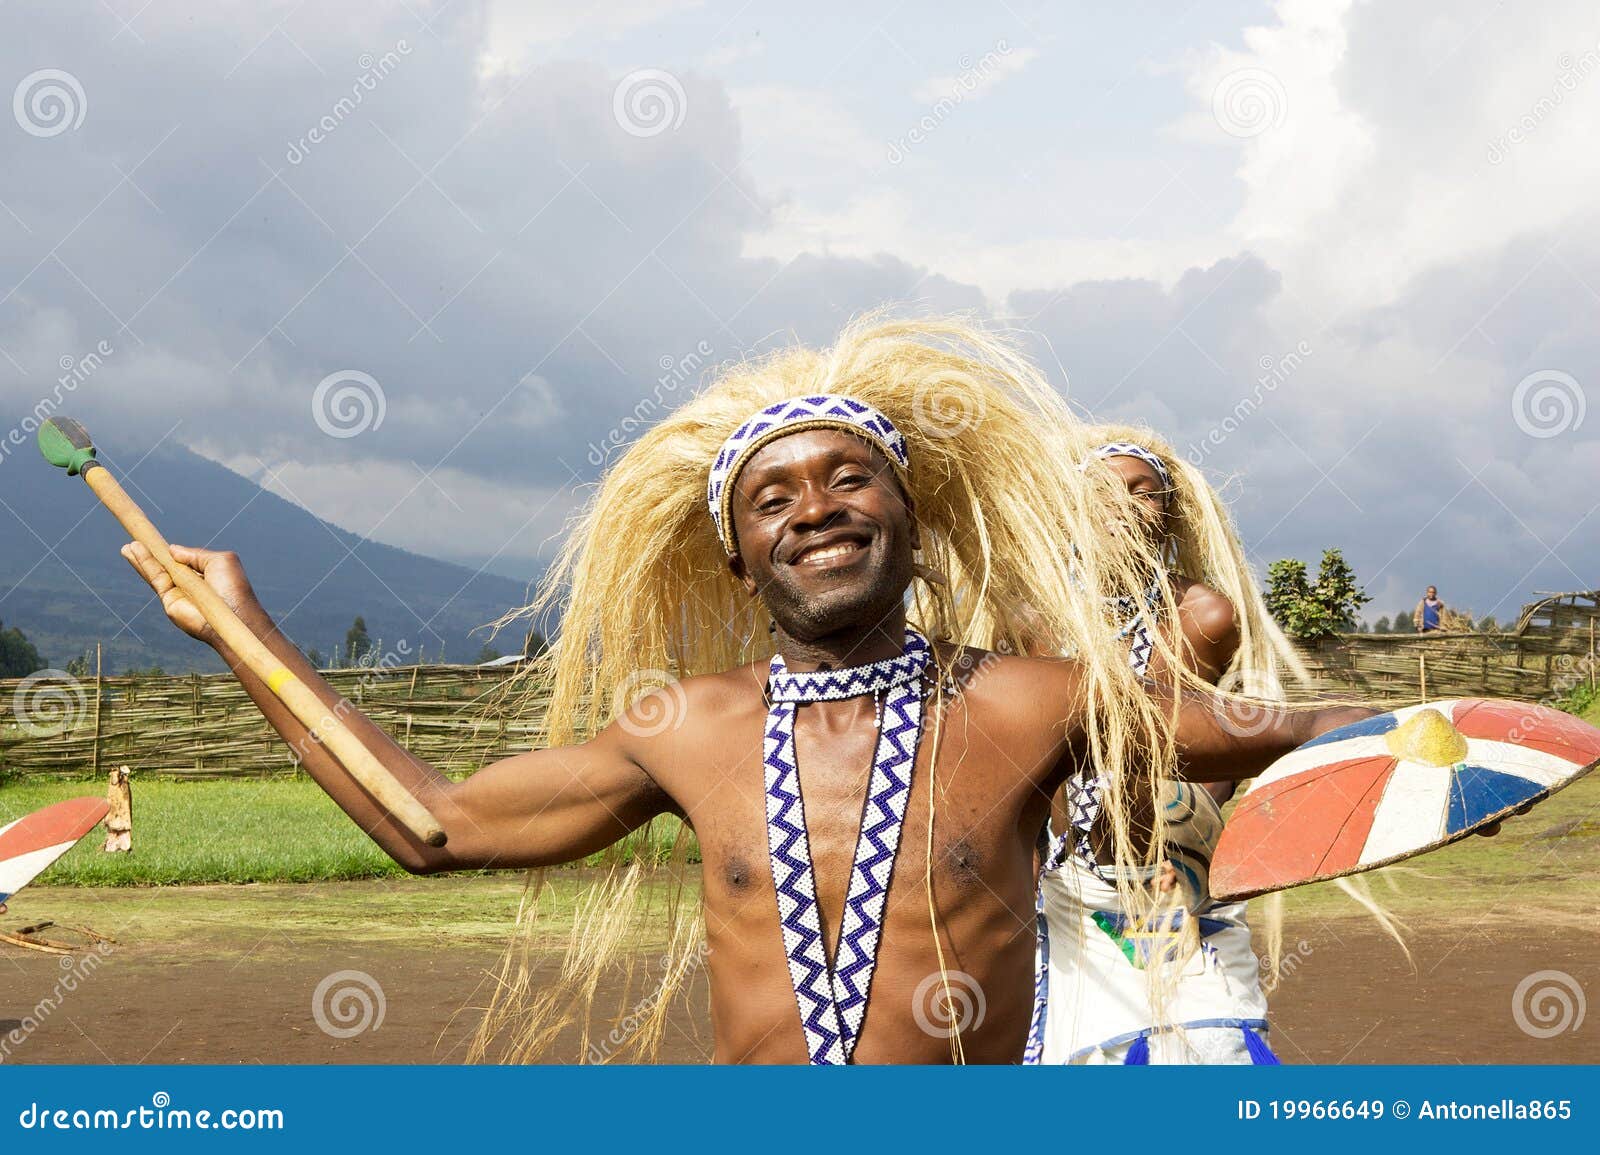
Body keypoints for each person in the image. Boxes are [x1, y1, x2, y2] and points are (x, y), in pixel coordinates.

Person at [122, 318, 1371, 1063]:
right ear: (737, 553)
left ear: (912, 523)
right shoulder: (688, 727)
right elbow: (432, 825)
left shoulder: (1026, 700)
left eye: (849, 480)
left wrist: (1444, 739)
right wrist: (241, 632)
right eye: (772, 497)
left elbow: (1231, 733)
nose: (815, 508)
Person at [1034, 428, 1307, 1065]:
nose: (1124, 506)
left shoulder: (1200, 614)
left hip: (1169, 868)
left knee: (1208, 1044)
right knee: (1078, 1054)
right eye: (1102, 494)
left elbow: (1192, 738)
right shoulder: (1038, 616)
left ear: (1168, 514)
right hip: (1067, 874)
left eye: (1143, 493)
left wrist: (1182, 852)